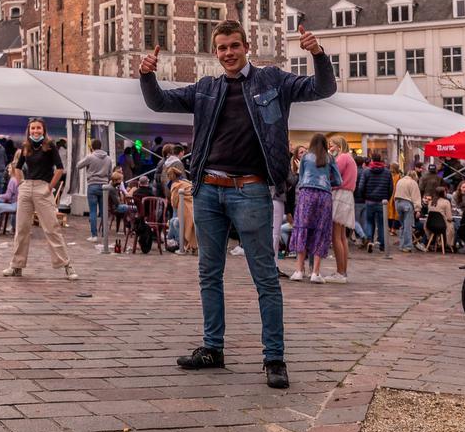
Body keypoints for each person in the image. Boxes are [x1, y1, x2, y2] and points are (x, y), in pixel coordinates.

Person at [139, 19, 336, 390]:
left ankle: (273, 358)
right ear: (215, 53)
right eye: (222, 48)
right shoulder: (206, 89)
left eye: (234, 46)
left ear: (247, 47)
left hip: (252, 190)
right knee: (208, 273)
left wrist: (317, 54)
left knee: (265, 277)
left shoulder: (272, 81)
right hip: (208, 189)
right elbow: (159, 102)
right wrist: (147, 76)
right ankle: (213, 348)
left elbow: (322, 88)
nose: (228, 53)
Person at [3, 118, 78, 279]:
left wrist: (50, 187)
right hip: (26, 187)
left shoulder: (49, 146)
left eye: (38, 129)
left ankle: (66, 265)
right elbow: (16, 166)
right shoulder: (26, 146)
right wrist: (19, 182)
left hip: (42, 187)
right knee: (21, 228)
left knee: (51, 228)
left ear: (43, 130)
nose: (35, 131)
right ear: (29, 130)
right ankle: (16, 265)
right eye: (33, 129)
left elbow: (60, 169)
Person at [289, 134, 341, 282]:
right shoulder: (330, 158)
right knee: (321, 230)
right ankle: (315, 273)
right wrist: (325, 179)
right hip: (324, 196)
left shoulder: (305, 157)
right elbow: (338, 180)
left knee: (302, 228)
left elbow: (301, 178)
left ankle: (299, 270)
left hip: (306, 195)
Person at [327, 136, 356, 283]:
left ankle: (340, 272)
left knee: (336, 236)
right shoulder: (349, 158)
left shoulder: (342, 158)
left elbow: (332, 174)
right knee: (342, 236)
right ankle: (343, 271)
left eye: (331, 145)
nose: (330, 148)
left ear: (338, 146)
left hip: (339, 195)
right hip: (347, 196)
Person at [77, 138, 113, 242]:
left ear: (92, 147)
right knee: (103, 211)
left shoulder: (90, 157)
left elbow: (78, 165)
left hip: (92, 185)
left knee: (93, 211)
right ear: (101, 146)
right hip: (104, 187)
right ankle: (104, 235)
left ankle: (94, 235)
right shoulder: (109, 159)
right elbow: (110, 174)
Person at [357, 153, 393, 253]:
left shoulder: (366, 172)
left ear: (372, 160)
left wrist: (365, 197)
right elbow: (391, 188)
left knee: (369, 222)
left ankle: (369, 240)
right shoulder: (387, 172)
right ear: (381, 160)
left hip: (369, 201)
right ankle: (382, 245)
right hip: (382, 202)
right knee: (381, 224)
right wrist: (387, 198)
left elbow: (361, 187)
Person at [167, 166, 196, 254]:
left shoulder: (175, 185)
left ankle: (179, 244)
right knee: (173, 221)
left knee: (175, 222)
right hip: (192, 209)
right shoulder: (186, 182)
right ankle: (172, 242)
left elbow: (174, 203)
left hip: (188, 210)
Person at [393, 170, 422, 252]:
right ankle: (407, 246)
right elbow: (416, 196)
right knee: (408, 226)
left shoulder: (400, 181)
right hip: (407, 204)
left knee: (402, 225)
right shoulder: (413, 183)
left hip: (397, 203)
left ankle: (401, 245)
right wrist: (417, 209)